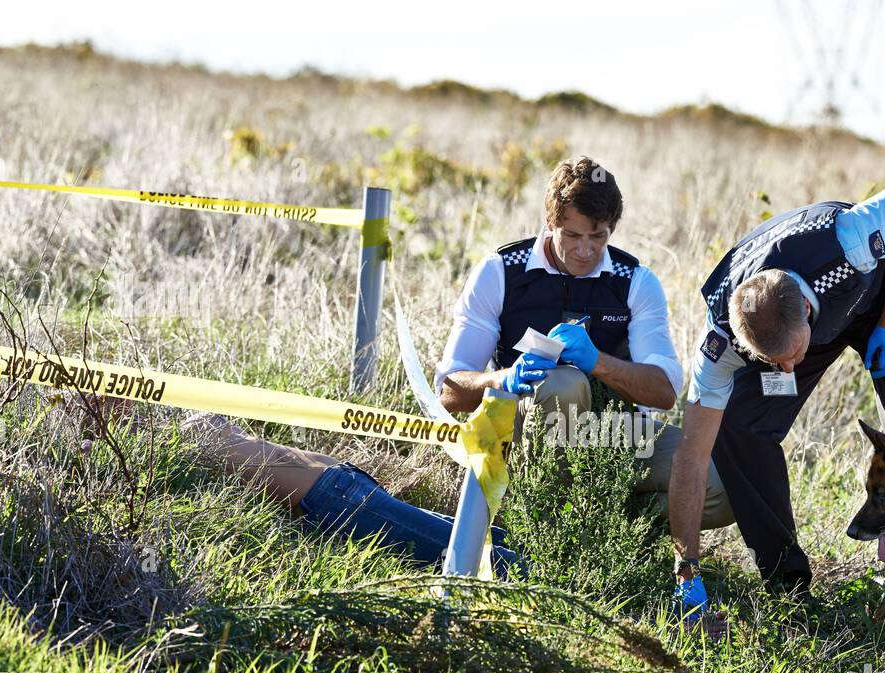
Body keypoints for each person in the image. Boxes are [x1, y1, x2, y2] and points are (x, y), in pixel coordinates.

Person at [667, 187, 885, 673]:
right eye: (774, 363)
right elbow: (690, 456)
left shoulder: (845, 240)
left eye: (790, 357)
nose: (787, 369)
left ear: (807, 314)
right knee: (738, 430)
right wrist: (687, 571)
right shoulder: (721, 343)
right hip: (801, 322)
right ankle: (790, 594)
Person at [435, 155, 734, 529]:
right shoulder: (499, 272)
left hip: (612, 434)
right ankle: (543, 530)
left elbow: (663, 392)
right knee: (564, 382)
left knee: (722, 483)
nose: (585, 250)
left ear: (612, 228)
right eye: (572, 235)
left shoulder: (636, 282)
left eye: (598, 236)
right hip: (523, 436)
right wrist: (501, 379)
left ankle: (604, 536)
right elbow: (448, 391)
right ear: (550, 223)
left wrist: (598, 361)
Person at [182, 412, 522, 577]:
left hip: (341, 498)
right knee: (482, 543)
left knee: (485, 557)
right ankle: (559, 569)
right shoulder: (188, 429)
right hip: (340, 489)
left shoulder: (181, 432)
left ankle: (559, 579)